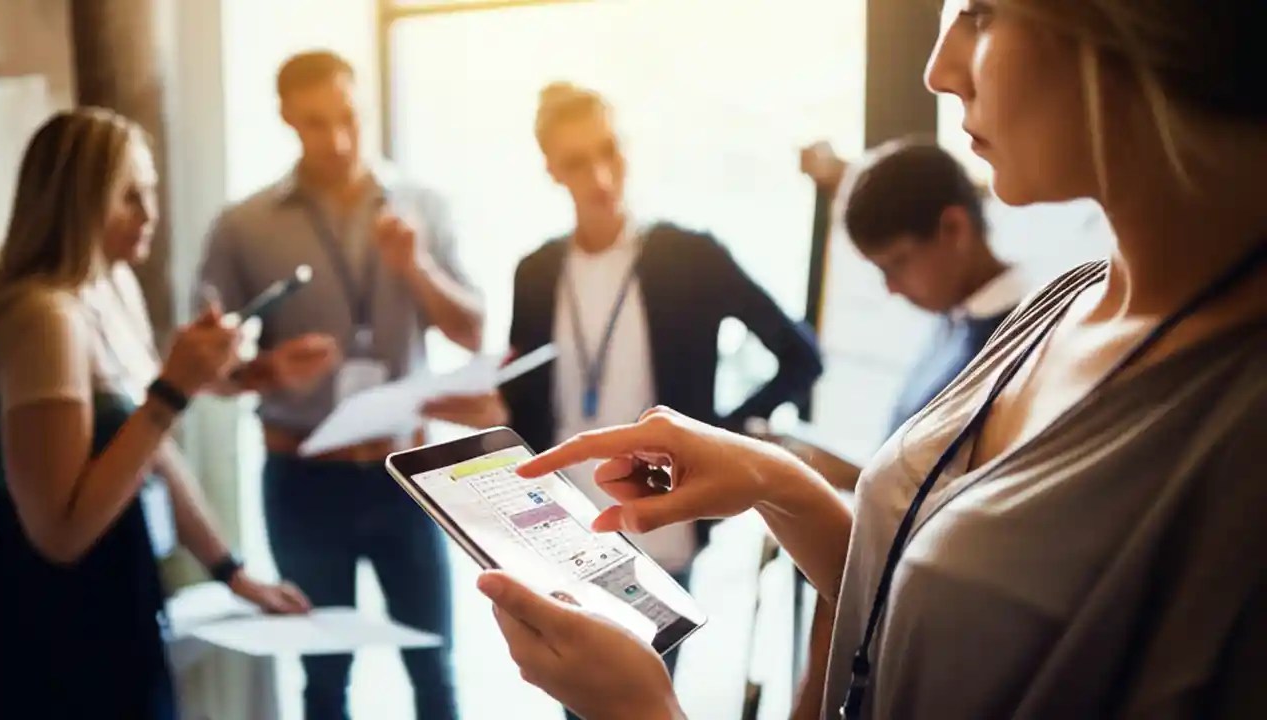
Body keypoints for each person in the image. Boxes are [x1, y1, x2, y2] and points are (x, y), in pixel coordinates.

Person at [471, 0, 1267, 718]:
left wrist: (643, 713)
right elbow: (922, 605)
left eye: (979, 12)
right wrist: (777, 483)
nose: (938, 68)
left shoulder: (1235, 428)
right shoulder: (1065, 300)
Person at [422, 81, 822, 682]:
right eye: (577, 162)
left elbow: (800, 356)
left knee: (643, 696)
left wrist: (720, 437)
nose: (601, 176)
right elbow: (524, 404)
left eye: (609, 151)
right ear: (552, 170)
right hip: (559, 527)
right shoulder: (537, 272)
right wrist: (469, 408)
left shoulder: (688, 257)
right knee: (575, 697)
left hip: (657, 513)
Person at [0, 109, 312, 719]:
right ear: (77, 201)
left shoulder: (112, 287)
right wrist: (173, 390)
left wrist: (231, 571)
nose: (151, 214)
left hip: (122, 590)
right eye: (129, 197)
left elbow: (149, 452)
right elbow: (60, 536)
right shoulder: (44, 318)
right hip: (53, 617)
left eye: (151, 191)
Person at [197, 50, 481, 720]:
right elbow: (204, 369)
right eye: (316, 123)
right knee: (323, 680)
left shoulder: (422, 206)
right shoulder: (243, 226)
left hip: (407, 476)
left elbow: (472, 330)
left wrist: (416, 268)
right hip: (303, 480)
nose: (339, 140)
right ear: (286, 119)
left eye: (348, 118)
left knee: (434, 670)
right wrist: (267, 370)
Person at [789, 137, 1028, 719]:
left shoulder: (1015, 346)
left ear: (954, 228)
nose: (891, 288)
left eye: (896, 263)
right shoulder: (956, 323)